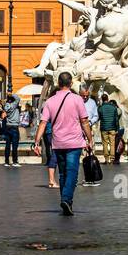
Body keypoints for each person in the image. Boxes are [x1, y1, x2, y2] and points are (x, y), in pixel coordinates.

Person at [34, 71, 93, 216]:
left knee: (63, 173)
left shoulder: (50, 101)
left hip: (58, 143)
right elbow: (84, 121)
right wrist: (90, 139)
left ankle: (67, 203)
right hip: (74, 142)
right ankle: (66, 199)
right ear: (71, 83)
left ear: (59, 84)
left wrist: (36, 142)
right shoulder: (77, 99)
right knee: (72, 172)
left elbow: (43, 123)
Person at [97, 93, 122, 166]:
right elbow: (116, 119)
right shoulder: (113, 107)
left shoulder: (100, 108)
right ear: (107, 99)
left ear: (102, 99)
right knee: (112, 144)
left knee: (104, 144)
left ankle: (106, 159)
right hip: (112, 128)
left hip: (104, 128)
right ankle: (112, 159)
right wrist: (117, 128)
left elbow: (100, 117)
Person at [2, 92, 21, 167]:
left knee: (7, 145)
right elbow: (18, 98)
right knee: (15, 146)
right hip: (14, 127)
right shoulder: (14, 105)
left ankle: (6, 162)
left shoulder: (6, 106)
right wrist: (11, 94)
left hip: (8, 126)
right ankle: (15, 161)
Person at [80, 85, 100, 150]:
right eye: (83, 95)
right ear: (80, 93)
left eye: (87, 95)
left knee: (91, 149)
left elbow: (96, 115)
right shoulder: (76, 101)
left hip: (89, 128)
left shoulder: (92, 102)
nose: (85, 97)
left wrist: (91, 122)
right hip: (78, 130)